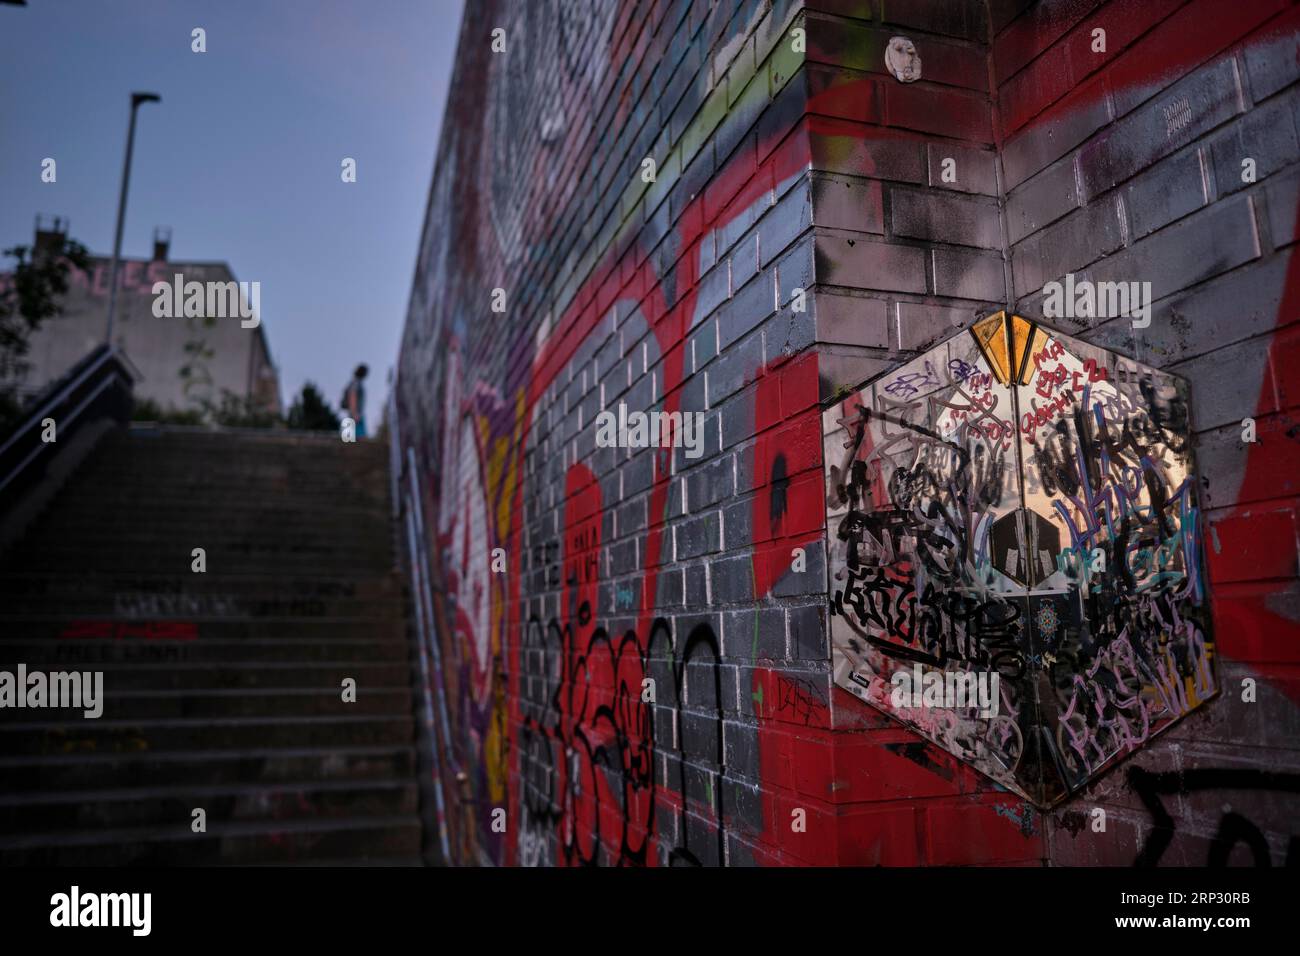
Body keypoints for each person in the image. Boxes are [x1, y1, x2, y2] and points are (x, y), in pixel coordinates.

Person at [341, 364, 368, 437]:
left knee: (348, 438)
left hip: (353, 413)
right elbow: (352, 396)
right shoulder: (356, 383)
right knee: (355, 438)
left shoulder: (354, 382)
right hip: (355, 414)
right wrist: (354, 413)